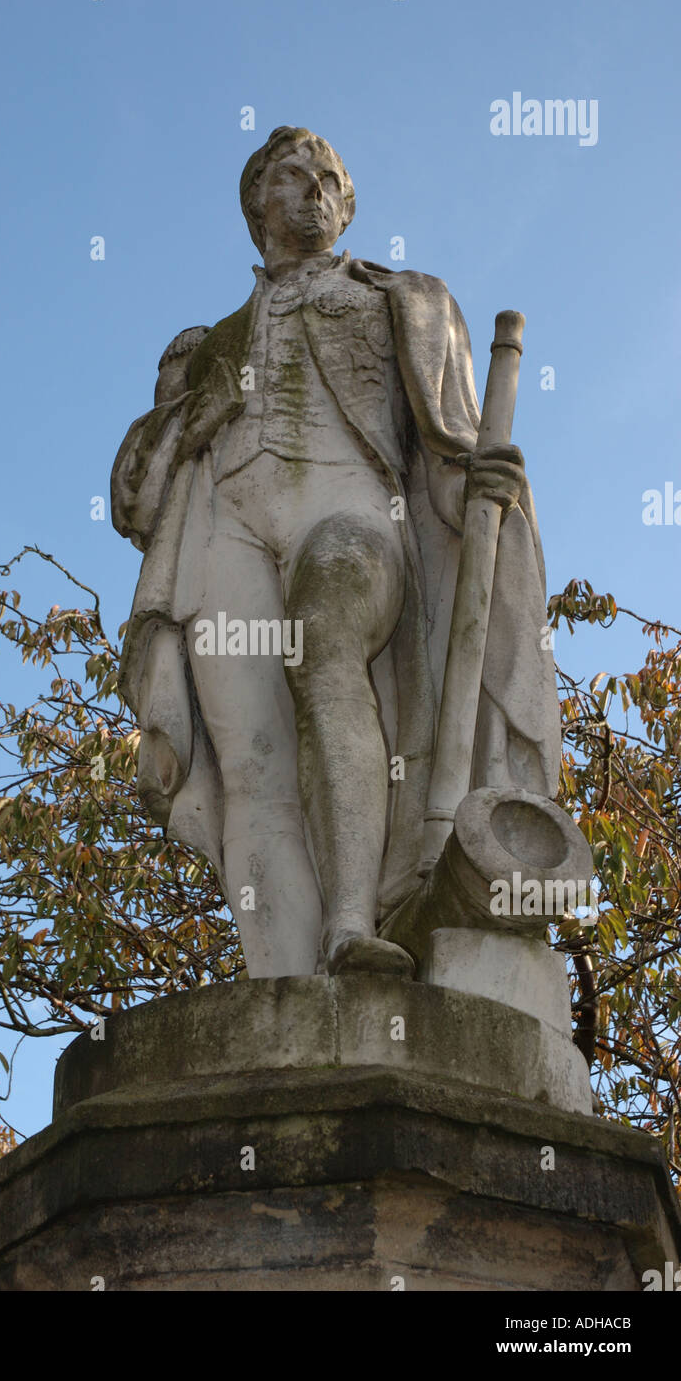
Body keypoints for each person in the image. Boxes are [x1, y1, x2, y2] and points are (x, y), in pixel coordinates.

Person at [111, 126, 559, 978]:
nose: (315, 190)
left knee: (324, 635)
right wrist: (180, 413)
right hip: (227, 532)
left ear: (348, 205)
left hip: (353, 509)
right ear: (256, 206)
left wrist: (477, 484)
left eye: (330, 179)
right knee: (250, 760)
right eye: (291, 175)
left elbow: (443, 450)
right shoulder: (207, 343)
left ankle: (353, 924)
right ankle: (281, 986)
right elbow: (134, 500)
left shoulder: (406, 298)